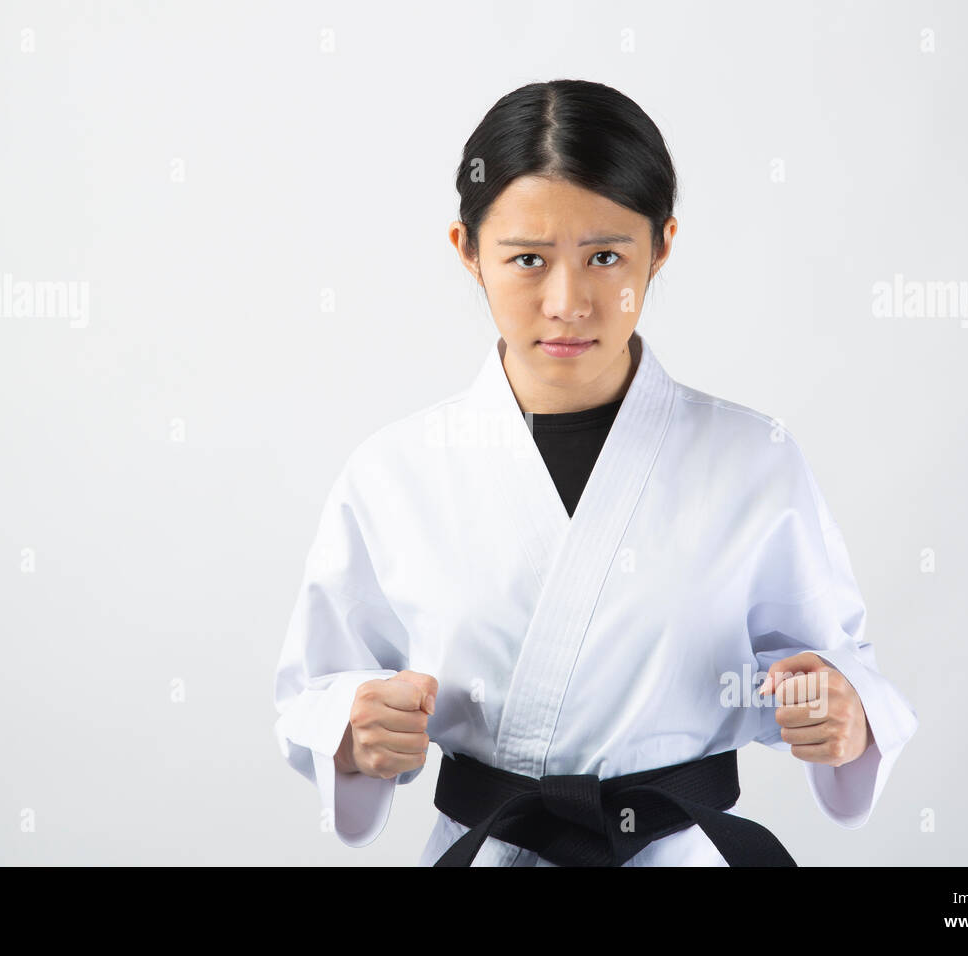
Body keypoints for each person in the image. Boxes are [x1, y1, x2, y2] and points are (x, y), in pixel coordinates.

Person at [273, 79, 918, 866]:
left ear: (663, 246)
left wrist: (845, 711)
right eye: (527, 259)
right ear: (468, 252)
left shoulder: (753, 458)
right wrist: (351, 726)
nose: (568, 301)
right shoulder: (394, 472)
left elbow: (837, 667)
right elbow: (313, 689)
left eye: (606, 256)